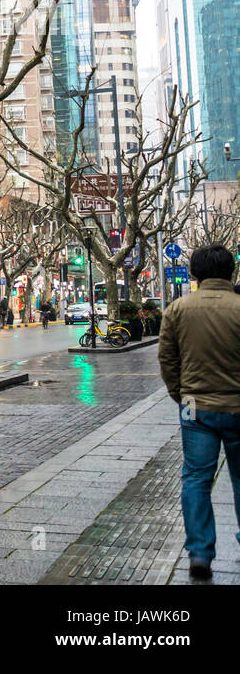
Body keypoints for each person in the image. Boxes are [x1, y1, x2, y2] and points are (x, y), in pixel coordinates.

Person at [157, 244, 240, 581]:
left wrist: (182, 395)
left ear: (194, 274)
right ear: (231, 272)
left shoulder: (177, 309)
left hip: (194, 406)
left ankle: (200, 554)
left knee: (195, 478)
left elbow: (168, 361)